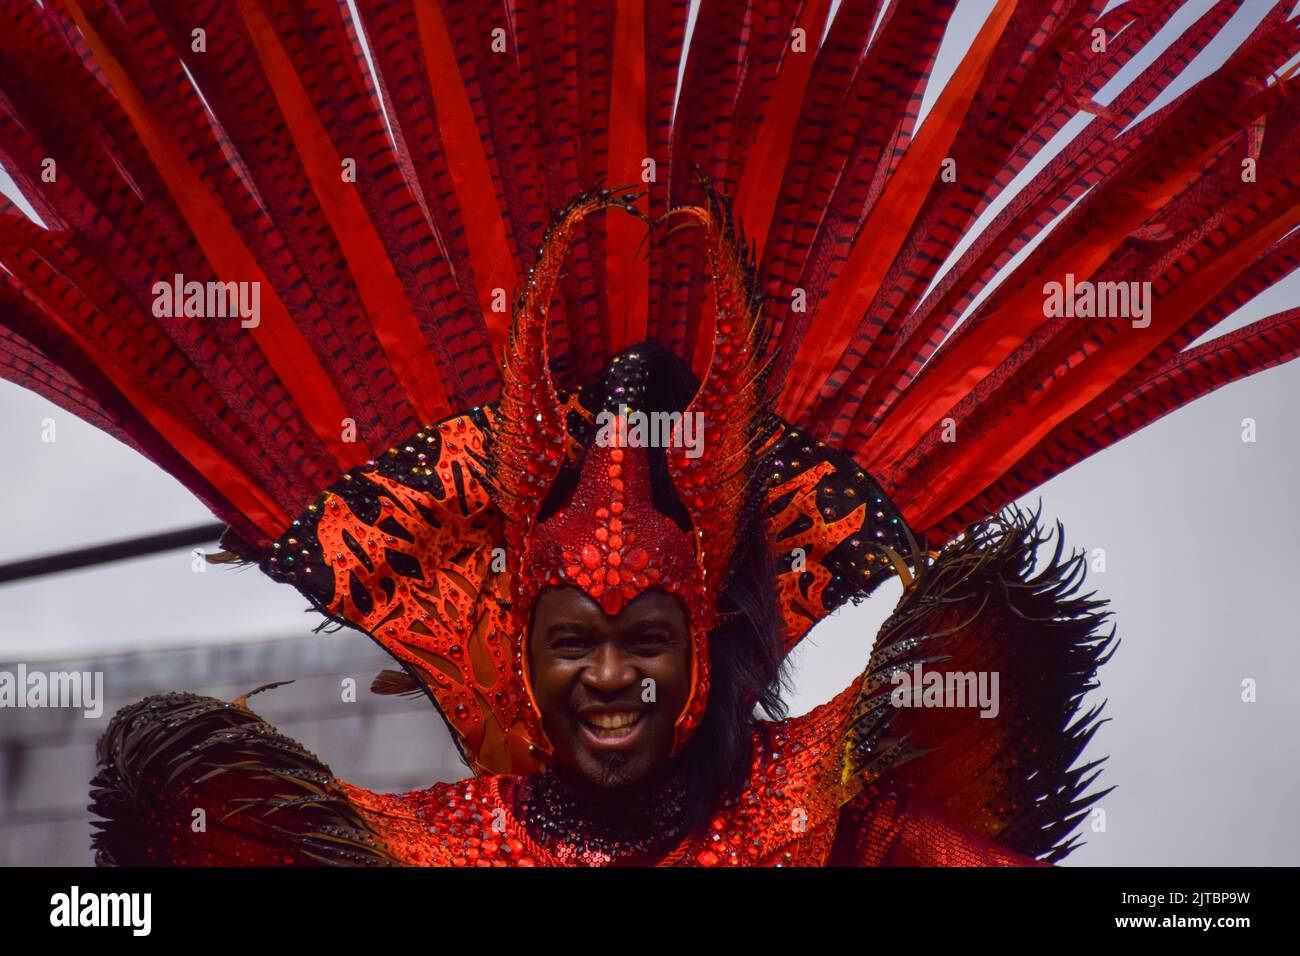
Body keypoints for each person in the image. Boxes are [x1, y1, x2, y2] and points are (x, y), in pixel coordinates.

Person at [3, 0, 1295, 866]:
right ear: (524, 653)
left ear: (704, 646)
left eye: (641, 641)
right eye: (578, 641)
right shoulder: (426, 848)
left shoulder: (837, 797)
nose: (611, 677)